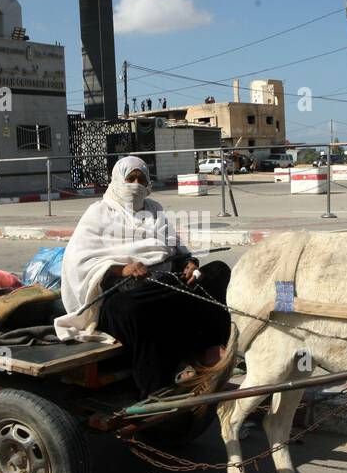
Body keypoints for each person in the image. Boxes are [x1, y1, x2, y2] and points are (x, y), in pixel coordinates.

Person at [55, 156, 231, 396]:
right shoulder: (98, 213)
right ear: (117, 181)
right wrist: (121, 269)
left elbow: (176, 249)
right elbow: (78, 261)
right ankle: (156, 387)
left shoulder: (154, 210)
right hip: (119, 296)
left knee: (218, 271)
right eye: (130, 179)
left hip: (165, 287)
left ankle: (212, 348)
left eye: (141, 179)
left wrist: (190, 264)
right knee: (136, 307)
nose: (136, 185)